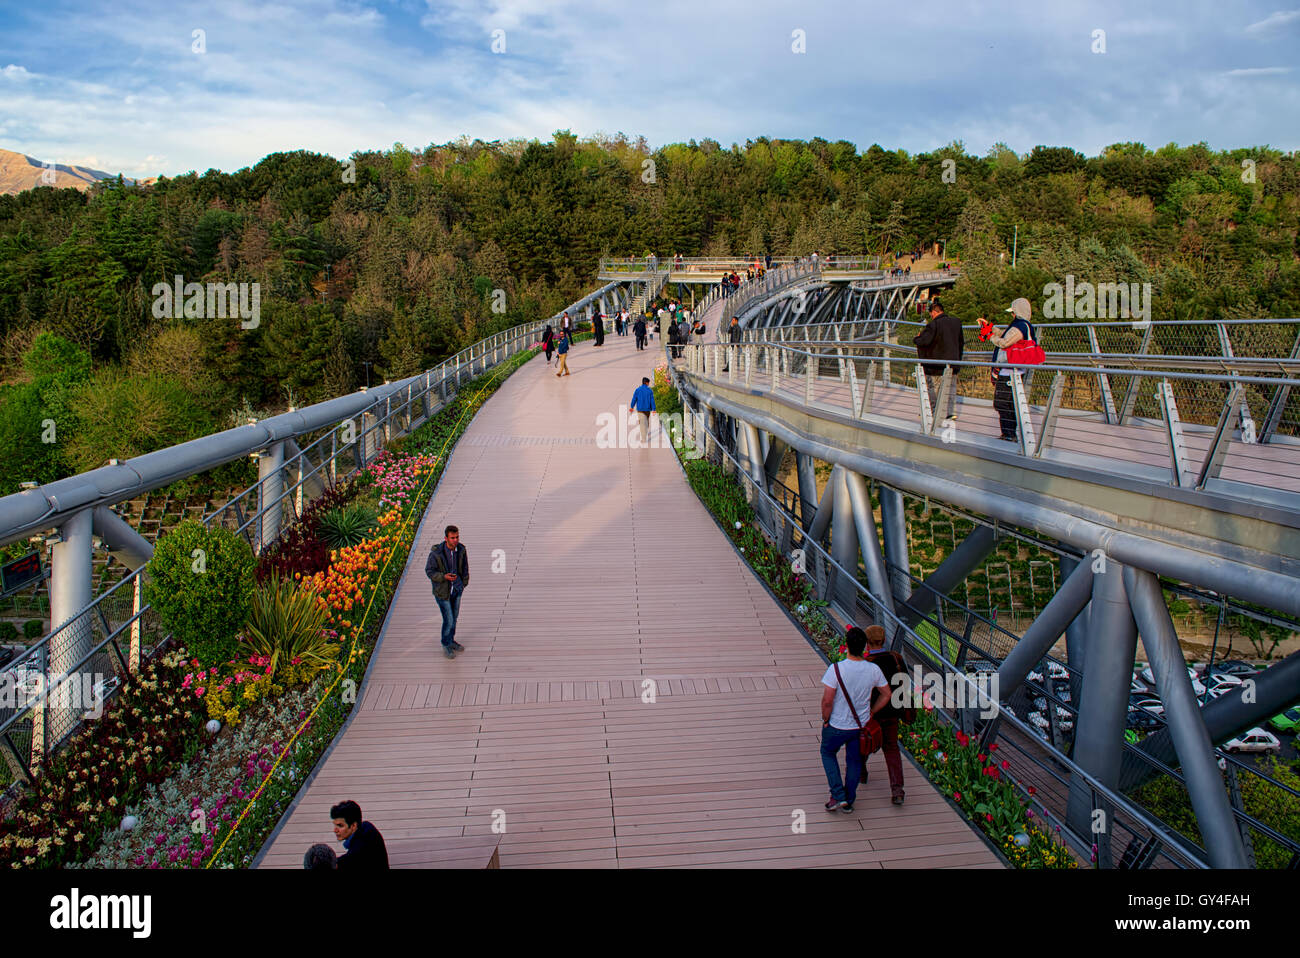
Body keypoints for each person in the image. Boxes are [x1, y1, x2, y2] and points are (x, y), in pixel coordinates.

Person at [819, 627, 890, 813]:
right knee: (854, 761)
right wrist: (872, 711)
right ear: (865, 646)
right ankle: (849, 799)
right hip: (860, 725)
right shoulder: (873, 670)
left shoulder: (835, 669)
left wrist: (825, 719)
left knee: (827, 753)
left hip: (836, 723)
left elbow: (827, 701)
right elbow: (886, 694)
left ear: (846, 646)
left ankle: (837, 795)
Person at [981, 297, 1036, 442]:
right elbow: (1006, 336)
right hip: (1013, 371)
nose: (1011, 315)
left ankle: (1009, 434)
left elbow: (1005, 342)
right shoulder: (1021, 325)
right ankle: (1009, 434)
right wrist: (990, 328)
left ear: (1018, 312)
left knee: (1003, 403)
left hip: (1010, 372)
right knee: (1007, 403)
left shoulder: (1020, 326)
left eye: (1013, 312)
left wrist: (990, 336)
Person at [864, 625, 907, 805]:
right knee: (891, 748)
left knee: (865, 742)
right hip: (893, 711)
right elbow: (905, 682)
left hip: (873, 712)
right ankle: (897, 790)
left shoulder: (867, 663)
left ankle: (861, 773)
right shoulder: (896, 658)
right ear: (884, 640)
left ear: (867, 643)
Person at [913, 300, 963, 421]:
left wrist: (916, 338)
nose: (931, 316)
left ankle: (933, 411)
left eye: (931, 314)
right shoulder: (956, 323)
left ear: (934, 312)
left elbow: (924, 341)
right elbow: (961, 342)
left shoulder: (933, 325)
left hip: (936, 364)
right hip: (953, 362)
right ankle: (950, 413)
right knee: (950, 389)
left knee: (933, 388)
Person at [425, 524, 469, 658]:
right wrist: (443, 577)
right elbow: (429, 571)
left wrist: (463, 583)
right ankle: (445, 643)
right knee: (448, 619)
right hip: (442, 591)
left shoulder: (461, 549)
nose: (455, 540)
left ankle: (451, 640)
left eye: (457, 537)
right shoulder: (436, 553)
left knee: (454, 617)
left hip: (456, 588)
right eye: (452, 538)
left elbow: (465, 567)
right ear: (446, 538)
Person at [330, 800, 389, 869]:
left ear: (354, 826)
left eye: (340, 825)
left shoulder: (364, 843)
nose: (335, 830)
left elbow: (350, 859)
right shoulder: (365, 829)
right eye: (335, 825)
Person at [630, 376, 656, 445]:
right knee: (646, 422)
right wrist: (654, 409)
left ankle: (644, 438)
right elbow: (652, 400)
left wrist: (632, 407)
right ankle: (646, 432)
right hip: (647, 409)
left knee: (642, 423)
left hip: (640, 409)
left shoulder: (637, 390)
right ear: (647, 383)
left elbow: (634, 399)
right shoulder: (650, 390)